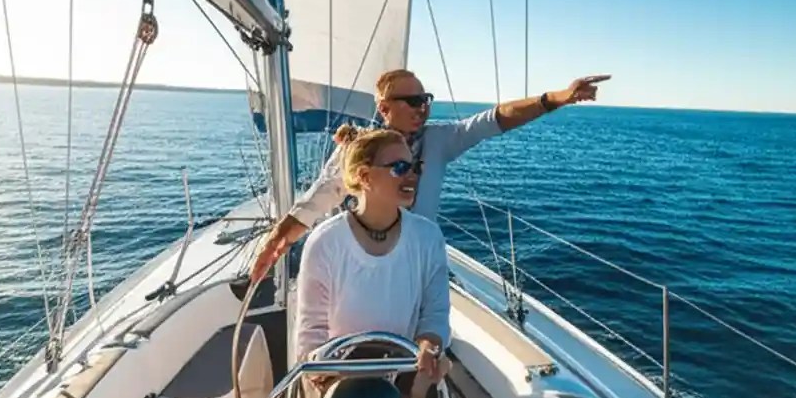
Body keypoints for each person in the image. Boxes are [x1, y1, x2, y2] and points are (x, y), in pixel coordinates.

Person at [251, 68, 611, 284]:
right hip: (360, 266)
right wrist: (275, 242)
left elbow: (493, 120)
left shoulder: (438, 141)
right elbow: (319, 198)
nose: (422, 108)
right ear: (384, 107)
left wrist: (554, 99)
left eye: (426, 99)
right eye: (412, 100)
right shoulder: (356, 150)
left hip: (417, 265)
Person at [294, 126, 452, 398]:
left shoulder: (428, 238)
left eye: (416, 166)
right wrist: (330, 382)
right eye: (400, 167)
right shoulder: (325, 242)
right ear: (364, 176)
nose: (413, 176)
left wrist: (429, 348)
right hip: (337, 379)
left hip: (406, 372)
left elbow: (435, 315)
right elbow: (311, 335)